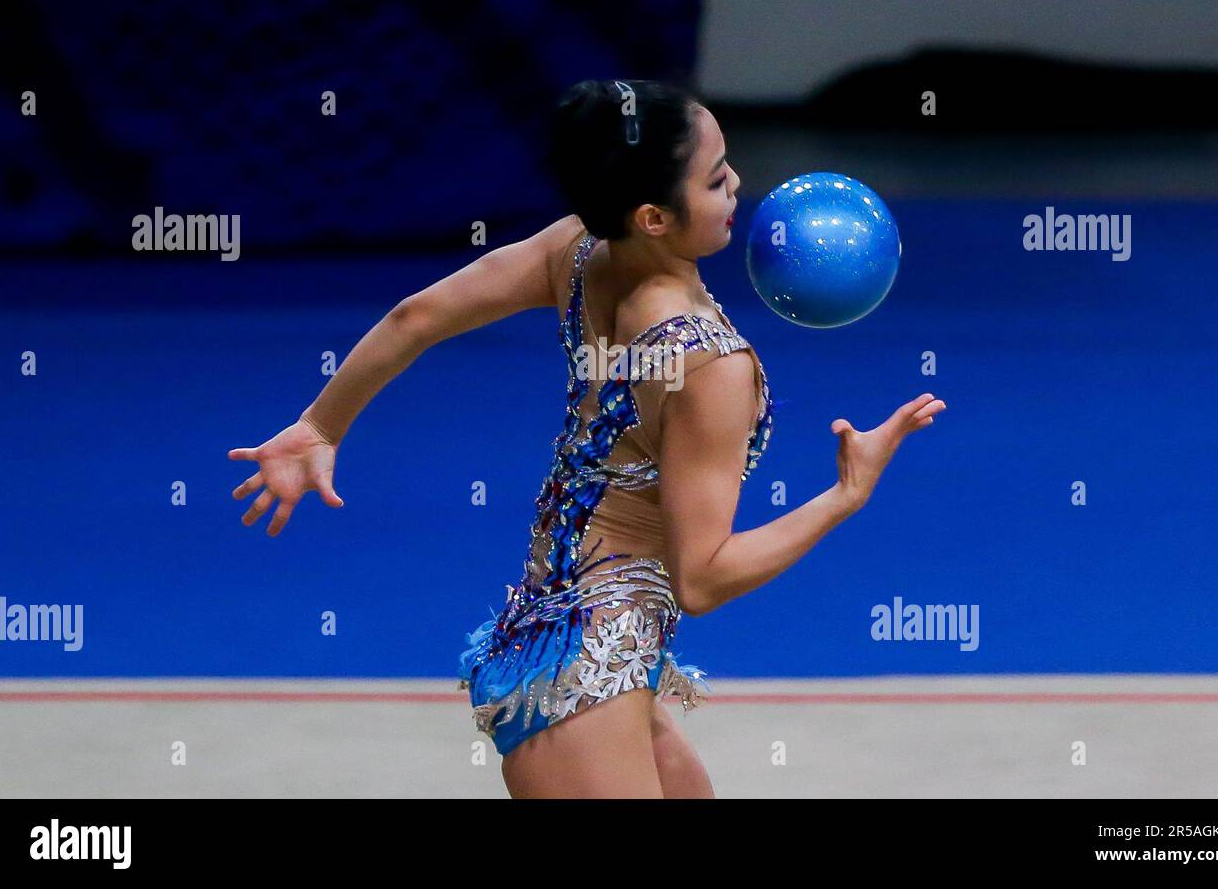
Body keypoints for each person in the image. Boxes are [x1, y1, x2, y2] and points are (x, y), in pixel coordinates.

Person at [228, 78, 946, 798]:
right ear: (655, 217)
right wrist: (844, 496)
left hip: (569, 647)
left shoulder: (577, 251)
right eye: (717, 177)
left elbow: (419, 317)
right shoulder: (708, 365)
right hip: (591, 675)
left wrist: (322, 424)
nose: (739, 188)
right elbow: (704, 577)